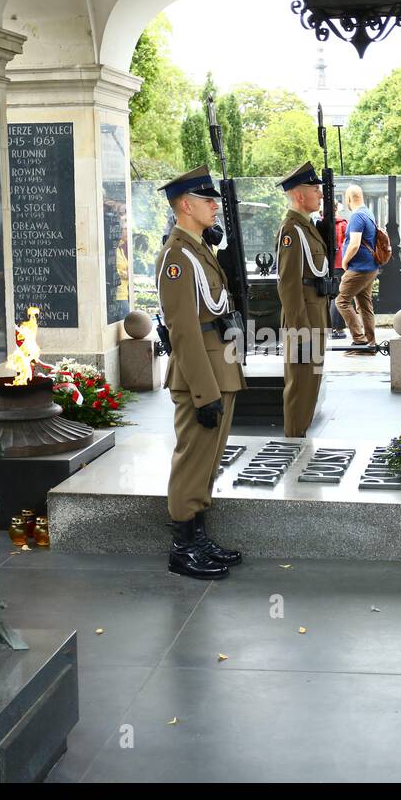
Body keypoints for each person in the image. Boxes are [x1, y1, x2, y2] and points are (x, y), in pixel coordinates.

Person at [155, 165, 246, 580]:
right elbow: (184, 329)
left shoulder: (198, 248)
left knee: (208, 461)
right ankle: (182, 548)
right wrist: (204, 392)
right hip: (200, 375)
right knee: (193, 460)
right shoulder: (177, 256)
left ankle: (199, 537)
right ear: (186, 205)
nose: (215, 206)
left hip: (218, 366)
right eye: (207, 200)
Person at [275, 161, 330, 437]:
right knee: (300, 387)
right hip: (304, 324)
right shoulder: (292, 231)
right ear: (299, 195)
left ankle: (300, 439)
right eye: (315, 189)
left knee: (311, 385)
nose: (321, 194)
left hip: (314, 318)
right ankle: (293, 443)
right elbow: (288, 284)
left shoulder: (306, 227)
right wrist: (301, 330)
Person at [335, 183, 379, 351]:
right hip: (370, 267)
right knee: (365, 305)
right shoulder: (368, 213)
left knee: (342, 301)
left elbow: (354, 244)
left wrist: (345, 261)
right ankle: (370, 341)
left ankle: (359, 339)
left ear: (348, 199)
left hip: (359, 268)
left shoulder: (357, 216)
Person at [329, 201, 348, 339]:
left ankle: (330, 327)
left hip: (326, 265)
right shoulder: (343, 224)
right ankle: (338, 328)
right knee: (340, 296)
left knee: (330, 296)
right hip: (340, 264)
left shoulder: (321, 224)